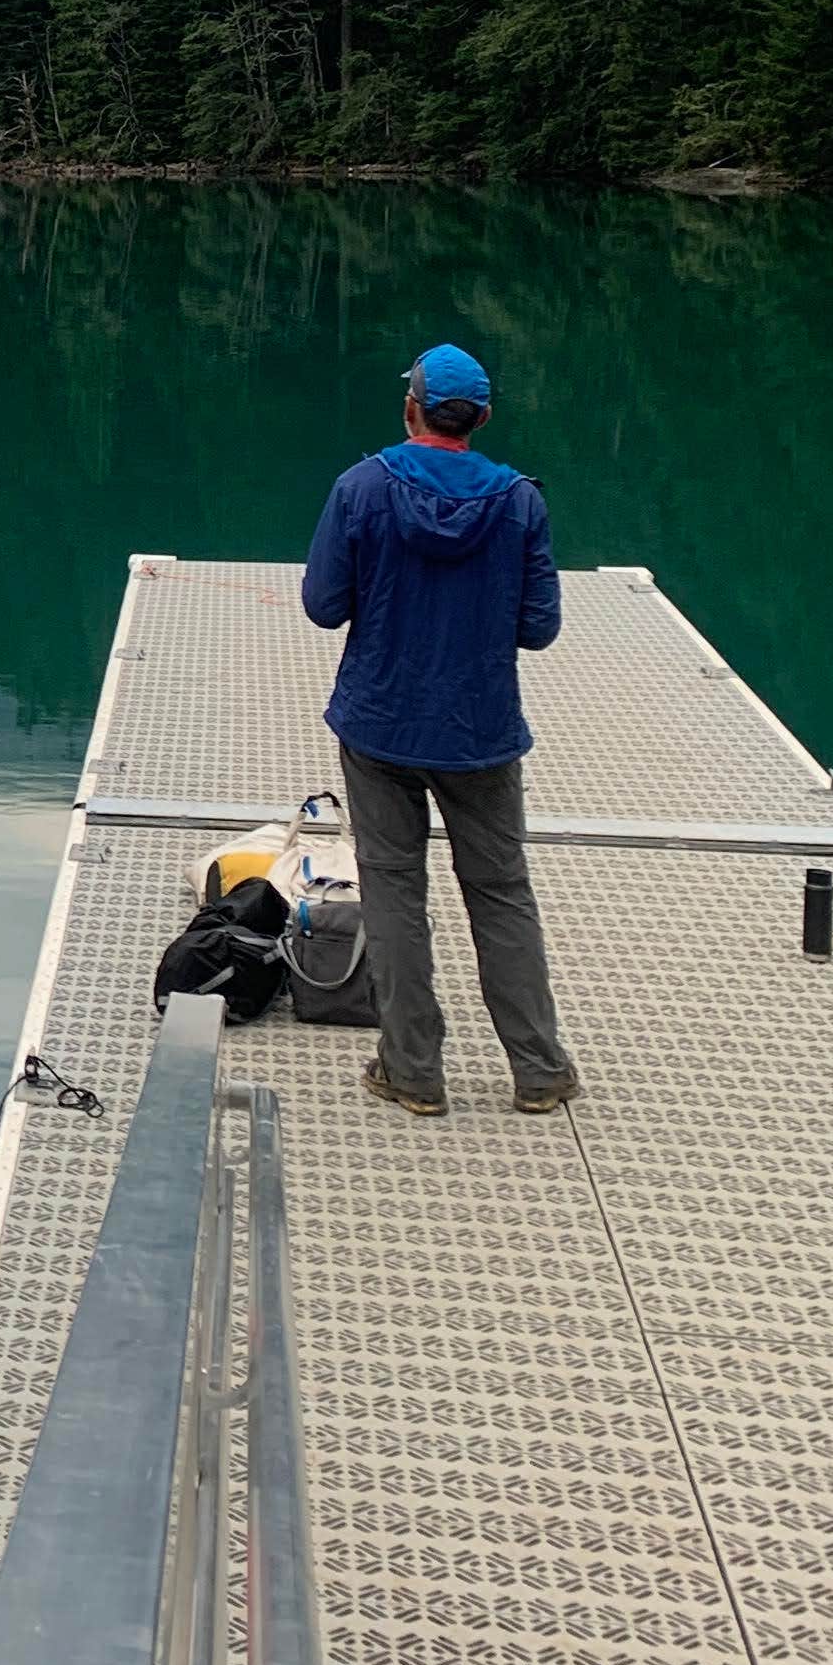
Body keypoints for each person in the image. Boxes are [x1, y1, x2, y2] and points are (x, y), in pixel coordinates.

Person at [299, 342, 580, 1117]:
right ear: (482, 418)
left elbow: (324, 604)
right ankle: (540, 1071)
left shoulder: (360, 488)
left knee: (394, 893)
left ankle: (413, 1073)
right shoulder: (520, 502)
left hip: (379, 726)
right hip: (481, 734)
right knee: (501, 895)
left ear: (410, 408)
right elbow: (539, 628)